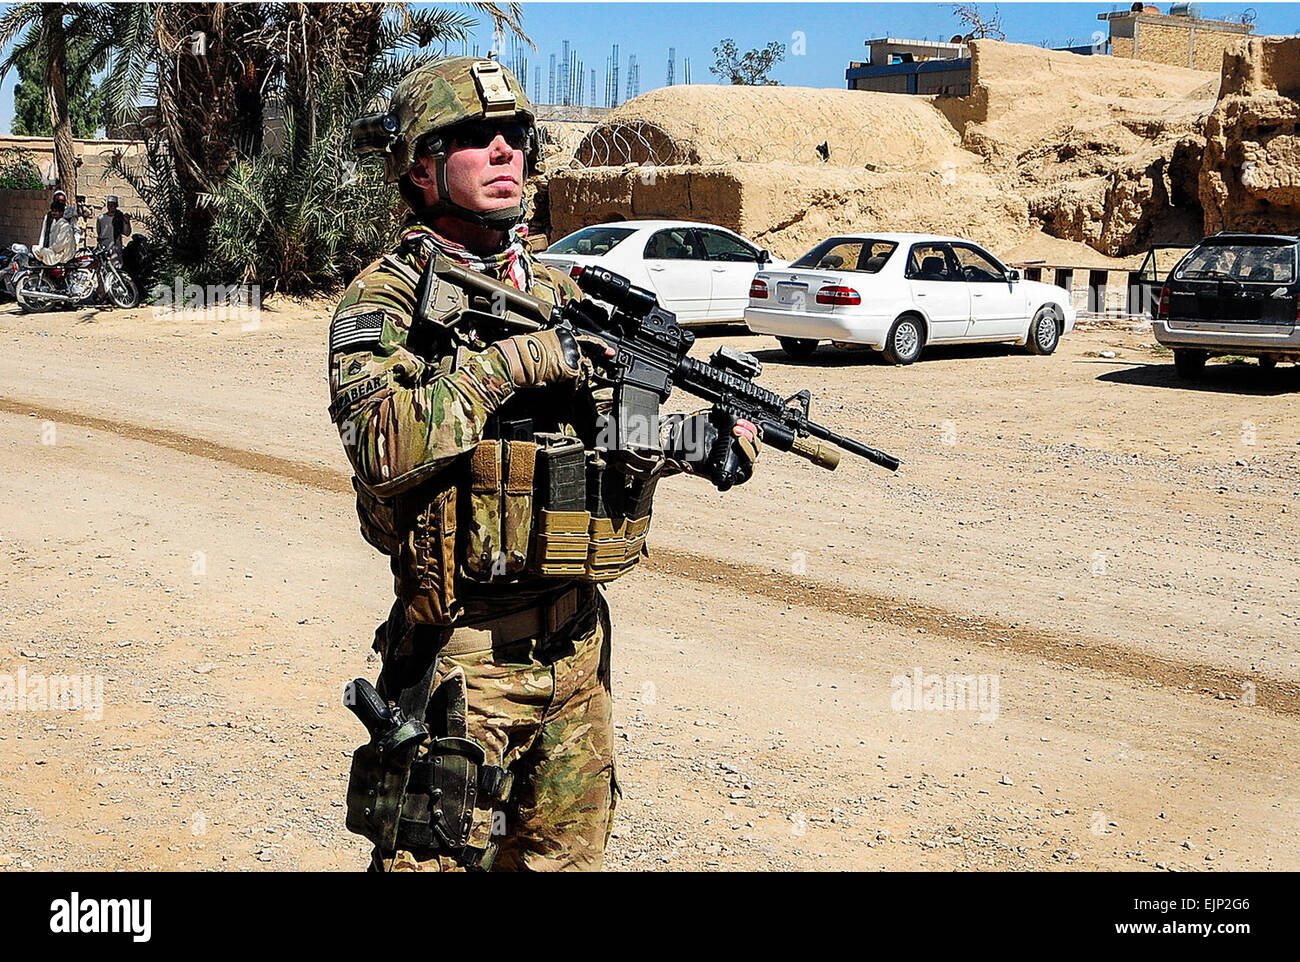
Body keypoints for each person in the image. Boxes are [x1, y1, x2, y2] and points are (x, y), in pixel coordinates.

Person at [329, 56, 761, 872]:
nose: (505, 152)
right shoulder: (384, 300)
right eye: (475, 138)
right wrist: (521, 362)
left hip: (576, 647)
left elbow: (597, 443)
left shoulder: (558, 292)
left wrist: (694, 443)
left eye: (515, 136)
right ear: (422, 166)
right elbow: (381, 445)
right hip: (465, 658)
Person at [33, 197, 76, 266]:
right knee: (35, 248)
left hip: (63, 256)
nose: (53, 213)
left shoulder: (65, 226)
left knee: (44, 251)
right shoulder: (55, 223)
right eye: (52, 211)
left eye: (56, 211)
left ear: (61, 212)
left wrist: (49, 250)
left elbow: (60, 245)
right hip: (55, 251)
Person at [96, 195, 132, 263]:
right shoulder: (101, 218)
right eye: (109, 205)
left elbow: (127, 233)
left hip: (116, 249)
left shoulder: (120, 218)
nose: (111, 207)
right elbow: (99, 232)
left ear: (116, 206)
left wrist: (127, 222)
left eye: (113, 205)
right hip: (104, 248)